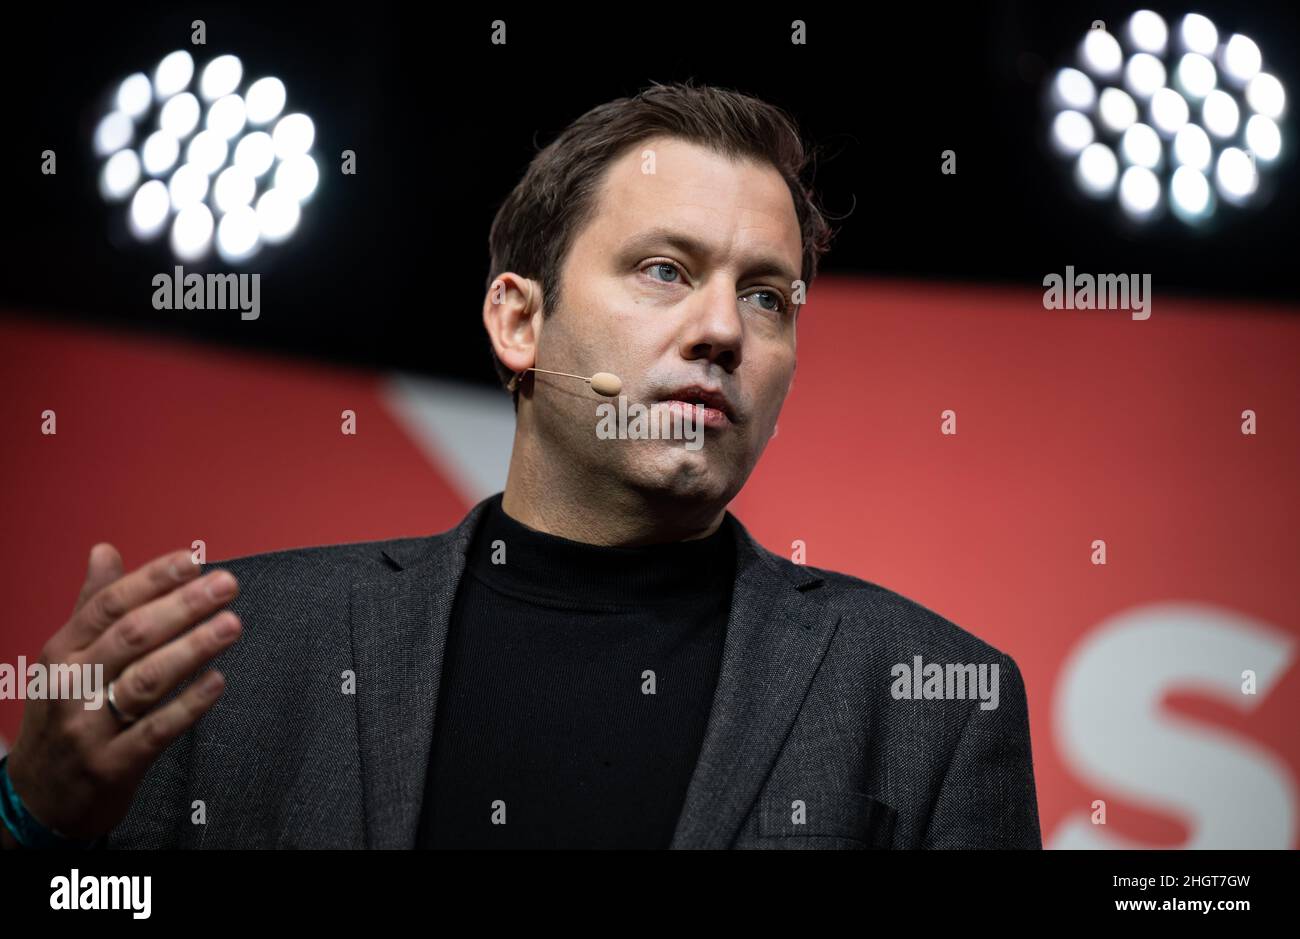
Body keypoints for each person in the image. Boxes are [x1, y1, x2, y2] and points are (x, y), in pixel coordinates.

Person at [1, 81, 1041, 850]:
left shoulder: (933, 703)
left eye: (767, 296)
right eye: (665, 270)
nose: (724, 330)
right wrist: (33, 822)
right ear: (518, 322)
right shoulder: (235, 657)